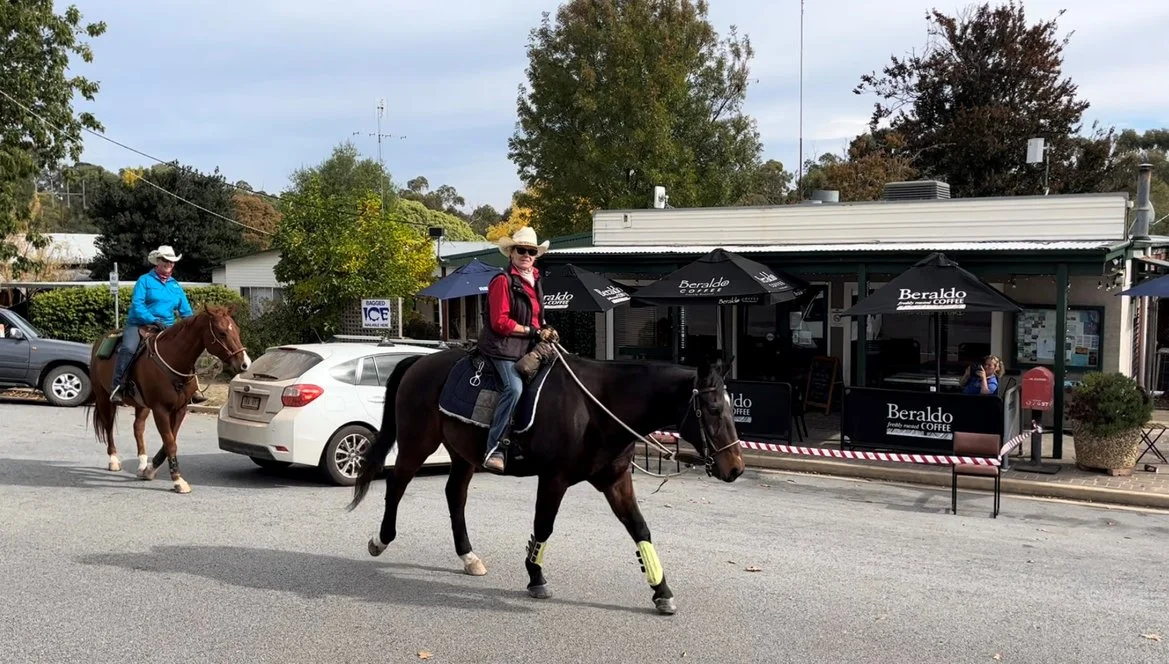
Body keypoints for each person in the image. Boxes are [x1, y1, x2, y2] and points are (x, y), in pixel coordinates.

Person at [476, 227, 556, 474]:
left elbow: (536, 319)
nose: (526, 254)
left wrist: (546, 329)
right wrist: (534, 332)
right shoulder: (502, 281)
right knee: (514, 388)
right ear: (511, 253)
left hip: (529, 347)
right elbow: (500, 323)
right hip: (502, 348)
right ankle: (495, 448)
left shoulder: (535, 280)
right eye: (521, 250)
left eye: (531, 251)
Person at [110, 245, 205, 405]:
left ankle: (191, 389)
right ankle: (118, 386)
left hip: (168, 327)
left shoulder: (175, 285)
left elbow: (186, 312)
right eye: (165, 260)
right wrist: (153, 319)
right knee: (128, 349)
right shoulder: (144, 281)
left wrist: (191, 326)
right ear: (158, 262)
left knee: (187, 350)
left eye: (171, 261)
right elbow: (137, 305)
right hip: (140, 325)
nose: (169, 264)